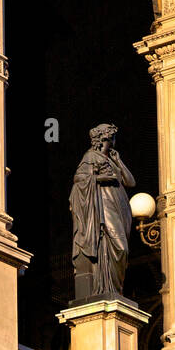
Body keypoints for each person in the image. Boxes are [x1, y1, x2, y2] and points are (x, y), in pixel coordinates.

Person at [69, 123, 135, 299]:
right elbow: (79, 179)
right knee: (121, 249)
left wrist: (118, 161)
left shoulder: (113, 160)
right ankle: (107, 287)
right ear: (105, 137)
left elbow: (130, 182)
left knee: (122, 249)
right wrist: (101, 178)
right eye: (112, 135)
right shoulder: (91, 156)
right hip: (104, 206)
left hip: (120, 207)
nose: (114, 139)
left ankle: (115, 289)